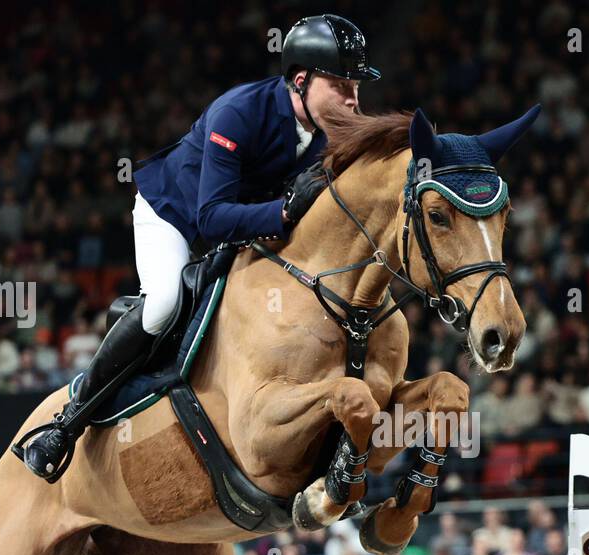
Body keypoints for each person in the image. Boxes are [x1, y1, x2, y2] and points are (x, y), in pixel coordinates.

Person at [20, 14, 379, 481]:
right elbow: (211, 218)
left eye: (356, 87)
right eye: (341, 86)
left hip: (243, 225)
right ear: (300, 80)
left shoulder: (330, 132)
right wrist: (285, 214)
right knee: (166, 304)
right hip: (174, 215)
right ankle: (67, 424)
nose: (354, 101)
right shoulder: (239, 112)